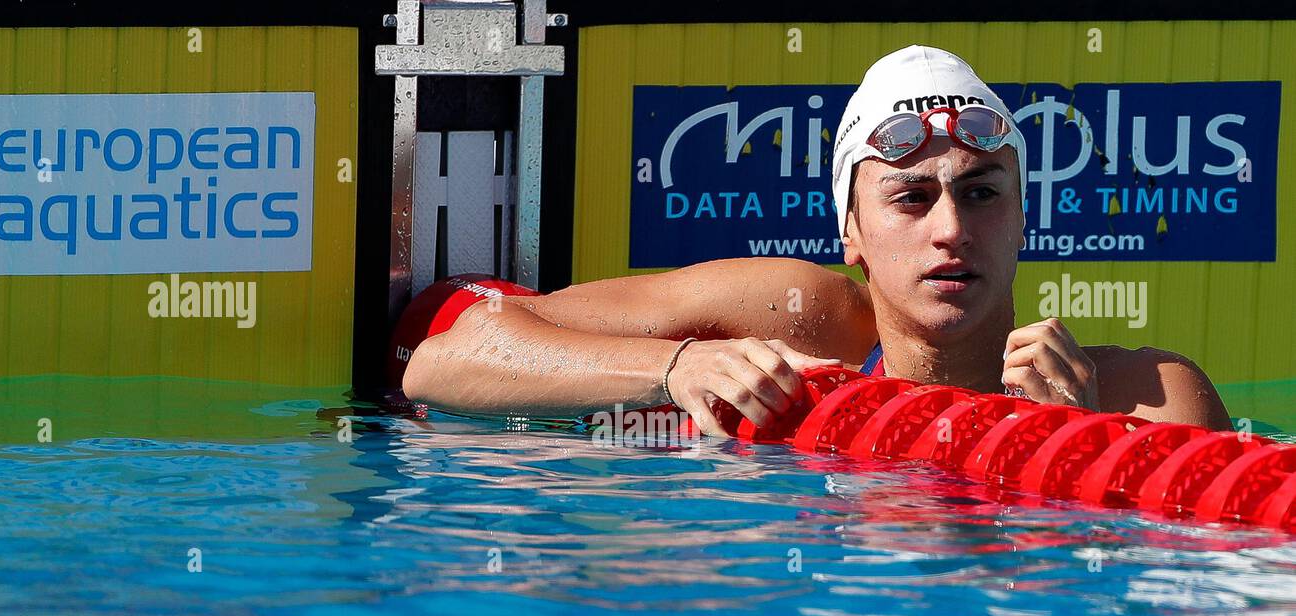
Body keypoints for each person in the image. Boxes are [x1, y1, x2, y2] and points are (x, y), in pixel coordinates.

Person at [401, 45, 1233, 435]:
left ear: (1024, 218)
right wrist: (674, 367)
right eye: (911, 198)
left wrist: (1072, 443)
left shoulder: (1146, 400)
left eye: (982, 194)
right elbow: (448, 353)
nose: (951, 229)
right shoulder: (798, 321)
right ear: (852, 231)